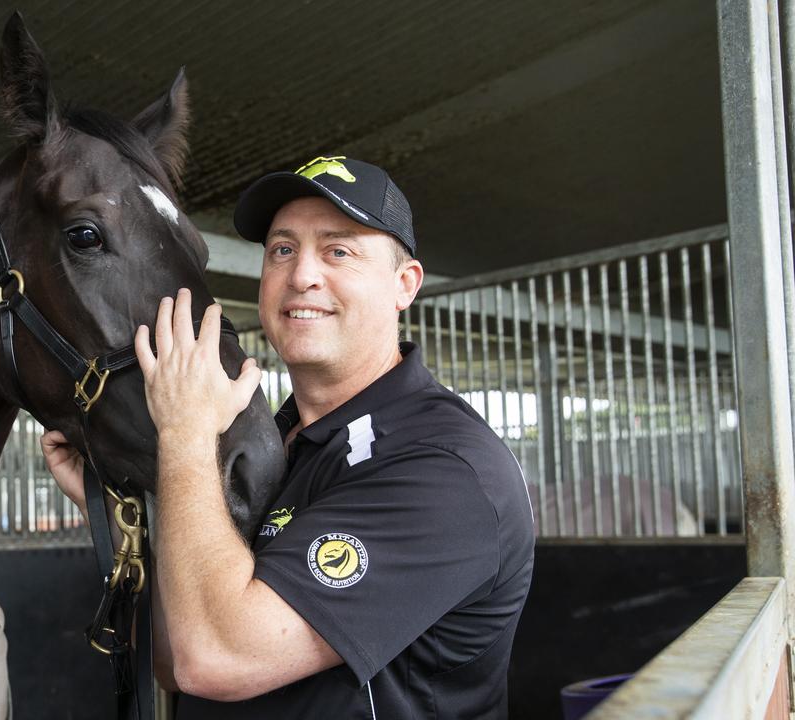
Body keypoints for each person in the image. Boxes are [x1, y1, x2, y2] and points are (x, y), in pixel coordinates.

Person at [43, 155, 535, 718]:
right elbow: (177, 659)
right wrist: (110, 512)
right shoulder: (270, 444)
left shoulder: (445, 468)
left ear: (405, 285)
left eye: (338, 250)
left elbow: (218, 659)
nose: (302, 275)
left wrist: (184, 431)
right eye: (282, 249)